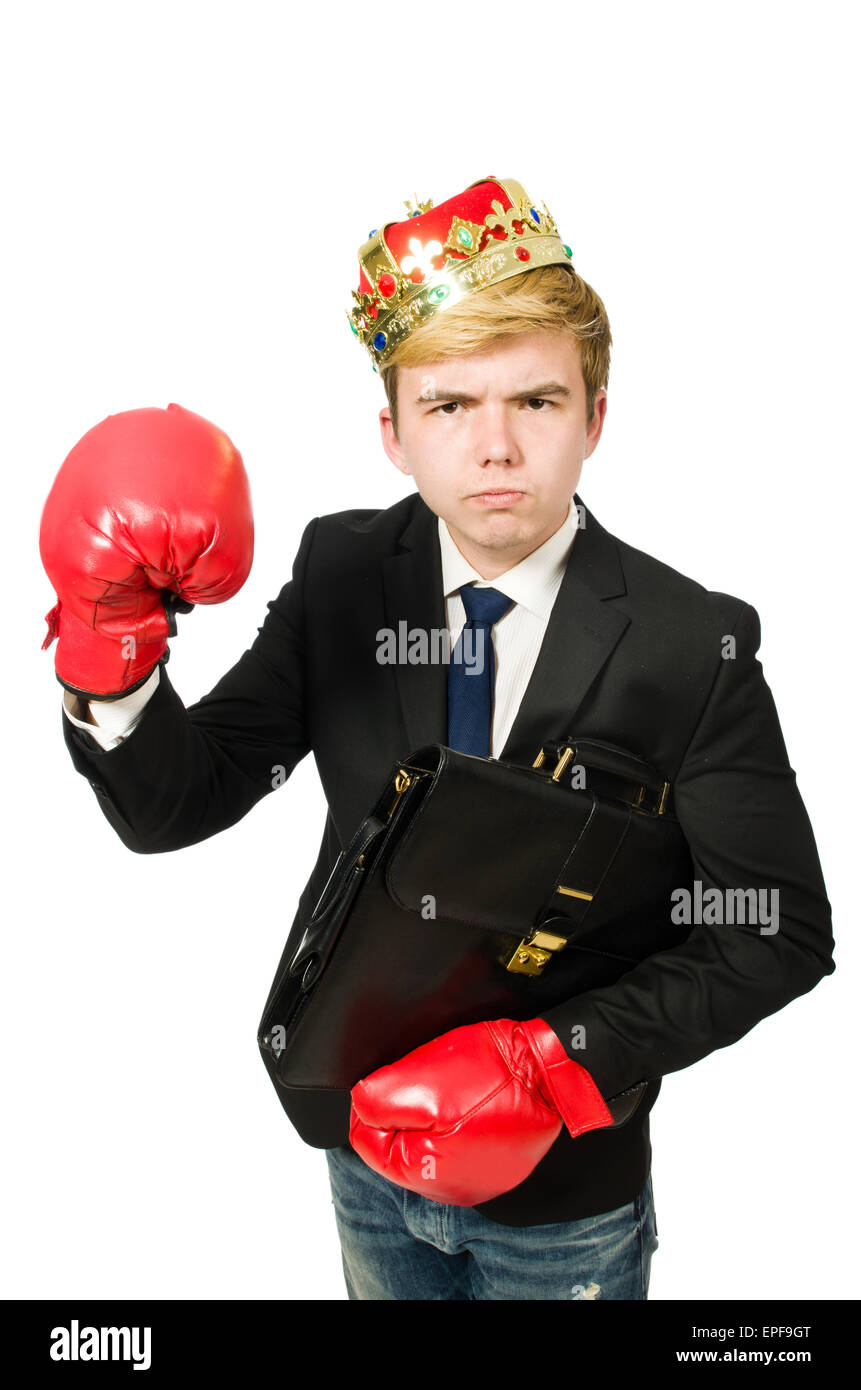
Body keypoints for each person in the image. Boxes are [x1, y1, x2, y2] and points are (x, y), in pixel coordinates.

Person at [40, 174, 835, 1301]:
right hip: (359, 1145)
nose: (498, 447)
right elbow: (183, 801)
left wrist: (553, 1066)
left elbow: (775, 927)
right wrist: (109, 643)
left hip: (565, 1195)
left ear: (596, 417)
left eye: (539, 402)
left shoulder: (685, 642)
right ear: (394, 432)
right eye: (453, 406)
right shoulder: (342, 576)